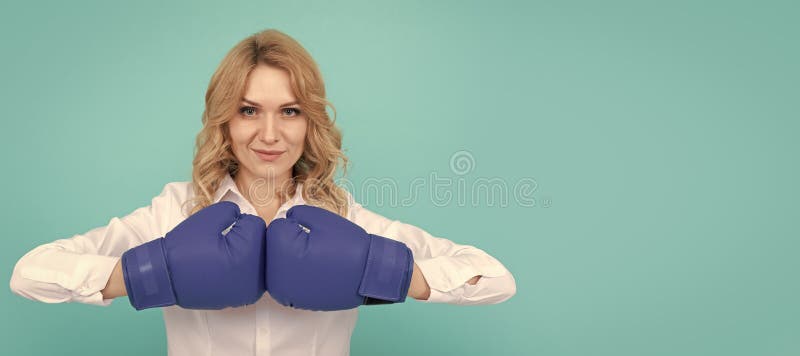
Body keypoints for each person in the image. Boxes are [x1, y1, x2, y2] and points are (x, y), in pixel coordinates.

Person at [9, 28, 516, 355]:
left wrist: (388, 272)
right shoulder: (177, 211)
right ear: (225, 120)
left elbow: (496, 280)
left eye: (289, 111)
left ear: (309, 121)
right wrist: (147, 273)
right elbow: (29, 273)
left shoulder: (345, 220)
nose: (269, 134)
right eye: (249, 110)